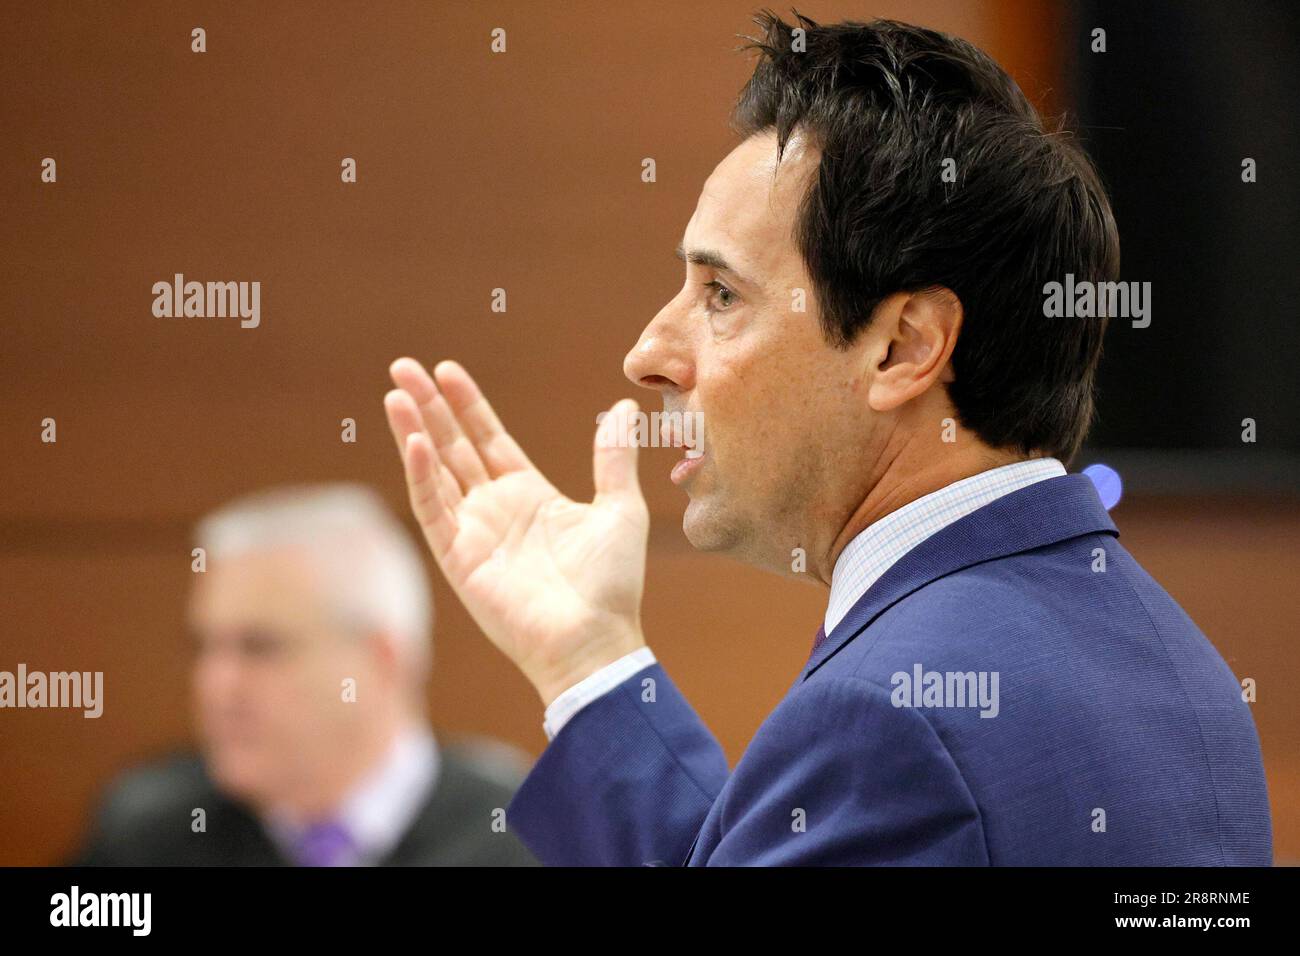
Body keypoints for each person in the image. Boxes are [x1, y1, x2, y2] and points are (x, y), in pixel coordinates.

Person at [380, 14, 1271, 865]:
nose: (648, 353)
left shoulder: (888, 717)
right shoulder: (1183, 670)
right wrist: (588, 657)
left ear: (904, 347)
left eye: (720, 295)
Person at [74, 484, 537, 866]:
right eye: (205, 647)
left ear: (381, 660)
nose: (216, 685)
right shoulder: (149, 831)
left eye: (260, 647)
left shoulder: (524, 836)